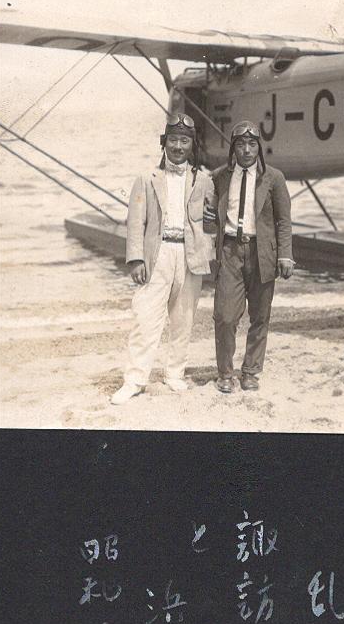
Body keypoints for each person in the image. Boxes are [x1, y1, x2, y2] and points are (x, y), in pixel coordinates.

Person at [110, 115, 214, 406]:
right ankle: (135, 380)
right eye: (173, 140)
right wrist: (135, 259)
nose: (178, 146)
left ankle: (175, 373)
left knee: (184, 319)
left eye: (184, 141)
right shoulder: (146, 179)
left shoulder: (204, 181)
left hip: (189, 256)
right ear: (164, 143)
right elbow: (135, 223)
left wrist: (209, 254)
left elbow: (211, 223)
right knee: (145, 319)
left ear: (192, 146)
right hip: (158, 255)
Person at [204, 121, 294, 393]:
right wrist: (208, 221)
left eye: (251, 144)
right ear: (233, 147)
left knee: (260, 316)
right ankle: (225, 373)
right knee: (224, 316)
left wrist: (285, 256)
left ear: (259, 147)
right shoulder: (219, 176)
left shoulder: (274, 178)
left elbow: (283, 221)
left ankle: (251, 372)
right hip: (230, 252)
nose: (246, 150)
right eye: (240, 144)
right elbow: (209, 220)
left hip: (262, 254)